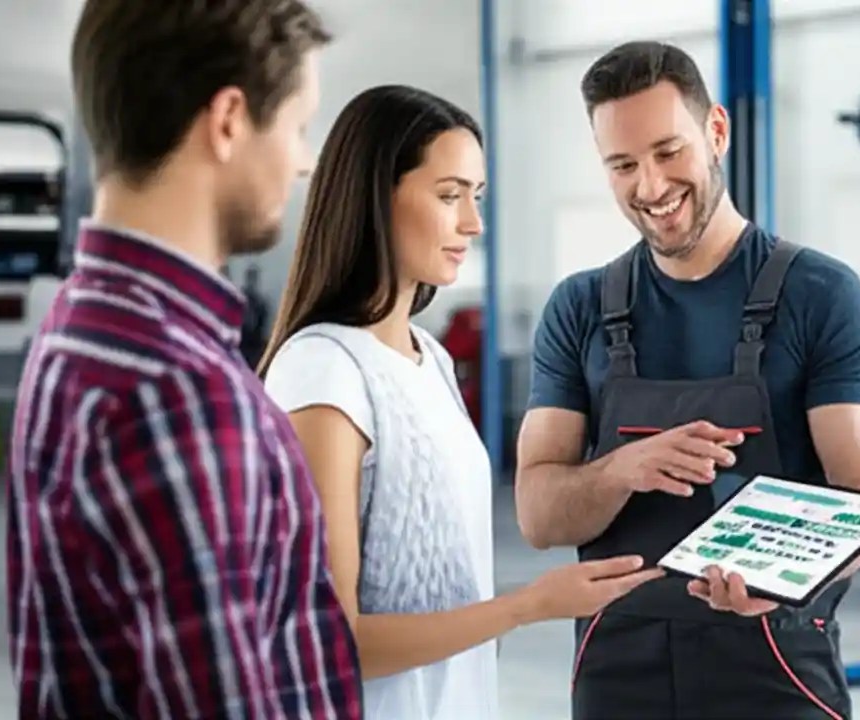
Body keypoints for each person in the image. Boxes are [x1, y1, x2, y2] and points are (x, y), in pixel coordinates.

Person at [514, 41, 860, 719]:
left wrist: (784, 584)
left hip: (778, 669)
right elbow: (539, 516)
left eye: (669, 152)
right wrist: (621, 470)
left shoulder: (824, 297)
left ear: (715, 131)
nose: (651, 187)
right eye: (623, 165)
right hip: (616, 672)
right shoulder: (579, 310)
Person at [257, 85, 663, 720]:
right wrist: (529, 606)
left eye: (476, 197)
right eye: (449, 196)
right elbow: (326, 641)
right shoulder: (322, 371)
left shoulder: (429, 358)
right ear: (374, 198)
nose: (472, 223)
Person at [5, 2, 363, 717]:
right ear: (229, 119)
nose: (302, 160)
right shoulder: (179, 392)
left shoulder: (79, 324)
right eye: (296, 126)